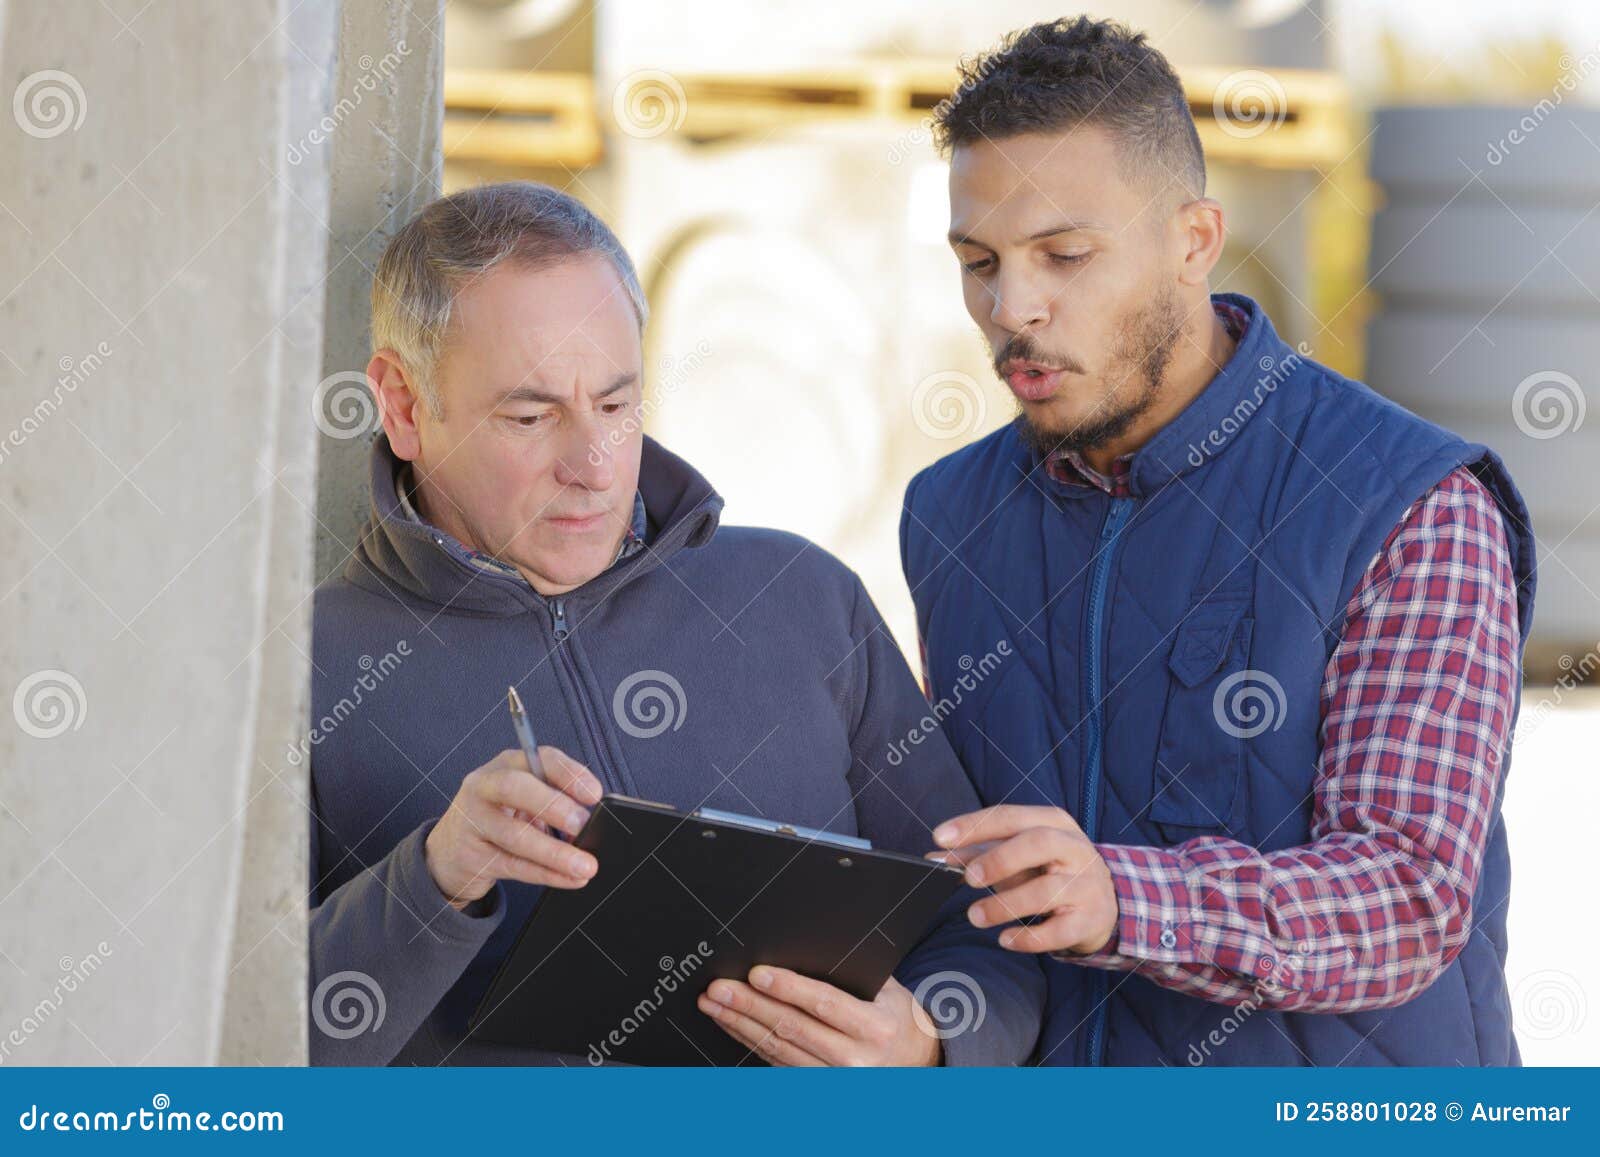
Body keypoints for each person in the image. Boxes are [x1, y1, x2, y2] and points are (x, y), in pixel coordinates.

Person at [903, 17, 1535, 1066]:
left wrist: (1126, 897)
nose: (1012, 307)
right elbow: (956, 872)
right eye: (979, 262)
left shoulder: (1408, 504)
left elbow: (1409, 896)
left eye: (1063, 254)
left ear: (1194, 241)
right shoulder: (947, 516)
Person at [305, 181, 1043, 1066]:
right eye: (531, 415)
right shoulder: (296, 674)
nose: (592, 465)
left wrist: (928, 1042)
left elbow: (988, 918)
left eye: (615, 405)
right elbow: (223, 1047)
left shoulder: (801, 597)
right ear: (404, 406)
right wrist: (433, 879)